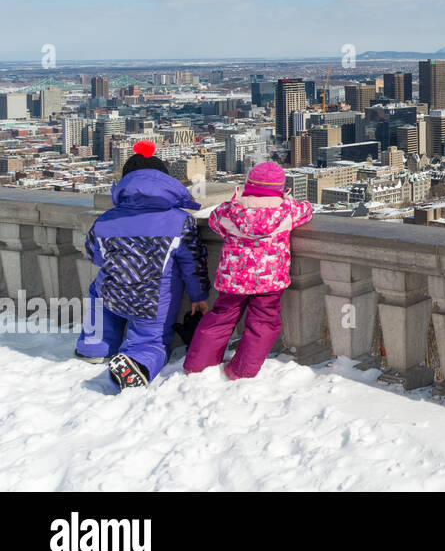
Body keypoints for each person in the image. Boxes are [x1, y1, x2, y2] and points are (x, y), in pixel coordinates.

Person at [75, 141, 210, 390]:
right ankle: (137, 364)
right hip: (152, 301)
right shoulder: (180, 220)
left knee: (98, 290)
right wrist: (198, 295)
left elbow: (94, 254)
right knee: (151, 341)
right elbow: (193, 263)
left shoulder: (106, 219)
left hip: (113, 293)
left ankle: (94, 344)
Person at [184, 161, 313, 379]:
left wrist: (237, 202)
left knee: (221, 317)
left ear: (249, 186)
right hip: (269, 280)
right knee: (264, 321)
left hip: (234, 278)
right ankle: (241, 370)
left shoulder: (230, 211)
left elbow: (215, 222)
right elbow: (308, 210)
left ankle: (199, 364)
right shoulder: (287, 212)